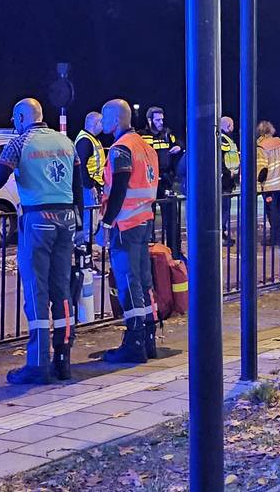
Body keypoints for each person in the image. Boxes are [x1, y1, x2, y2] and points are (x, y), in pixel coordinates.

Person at [0, 98, 82, 383]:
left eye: (14, 119)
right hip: (67, 219)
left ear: (20, 117)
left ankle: (38, 363)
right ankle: (63, 360)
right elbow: (78, 184)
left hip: (38, 219)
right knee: (62, 289)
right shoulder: (66, 141)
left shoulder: (19, 143)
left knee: (36, 290)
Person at [97, 99, 160, 363]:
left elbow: (119, 188)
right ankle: (148, 337)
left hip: (126, 224)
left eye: (104, 117)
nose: (102, 122)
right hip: (145, 220)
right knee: (144, 281)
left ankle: (134, 342)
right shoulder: (145, 146)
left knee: (127, 282)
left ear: (116, 119)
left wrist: (106, 223)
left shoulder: (121, 148)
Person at [140, 106, 183, 258]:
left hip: (165, 181)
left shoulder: (167, 133)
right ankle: (150, 253)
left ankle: (175, 252)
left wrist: (178, 146)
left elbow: (179, 143)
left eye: (162, 120)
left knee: (171, 220)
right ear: (149, 120)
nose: (161, 122)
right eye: (157, 120)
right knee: (148, 220)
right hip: (149, 182)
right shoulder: (142, 136)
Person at [255, 120, 280, 246]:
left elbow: (262, 170)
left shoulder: (261, 147)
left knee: (272, 212)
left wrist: (258, 186)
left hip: (270, 185)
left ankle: (275, 238)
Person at [75, 111, 107, 243]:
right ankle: (85, 247)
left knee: (93, 219)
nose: (104, 125)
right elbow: (81, 166)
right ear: (96, 123)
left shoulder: (91, 139)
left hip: (93, 185)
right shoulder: (85, 141)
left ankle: (87, 245)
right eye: (102, 122)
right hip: (88, 187)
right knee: (89, 219)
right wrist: (89, 185)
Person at [219, 116, 241, 247]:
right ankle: (220, 234)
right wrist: (227, 172)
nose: (233, 127)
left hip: (227, 180)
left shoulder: (227, 139)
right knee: (223, 209)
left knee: (225, 208)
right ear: (227, 125)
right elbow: (220, 159)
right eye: (232, 125)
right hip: (224, 180)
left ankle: (222, 233)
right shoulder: (222, 139)